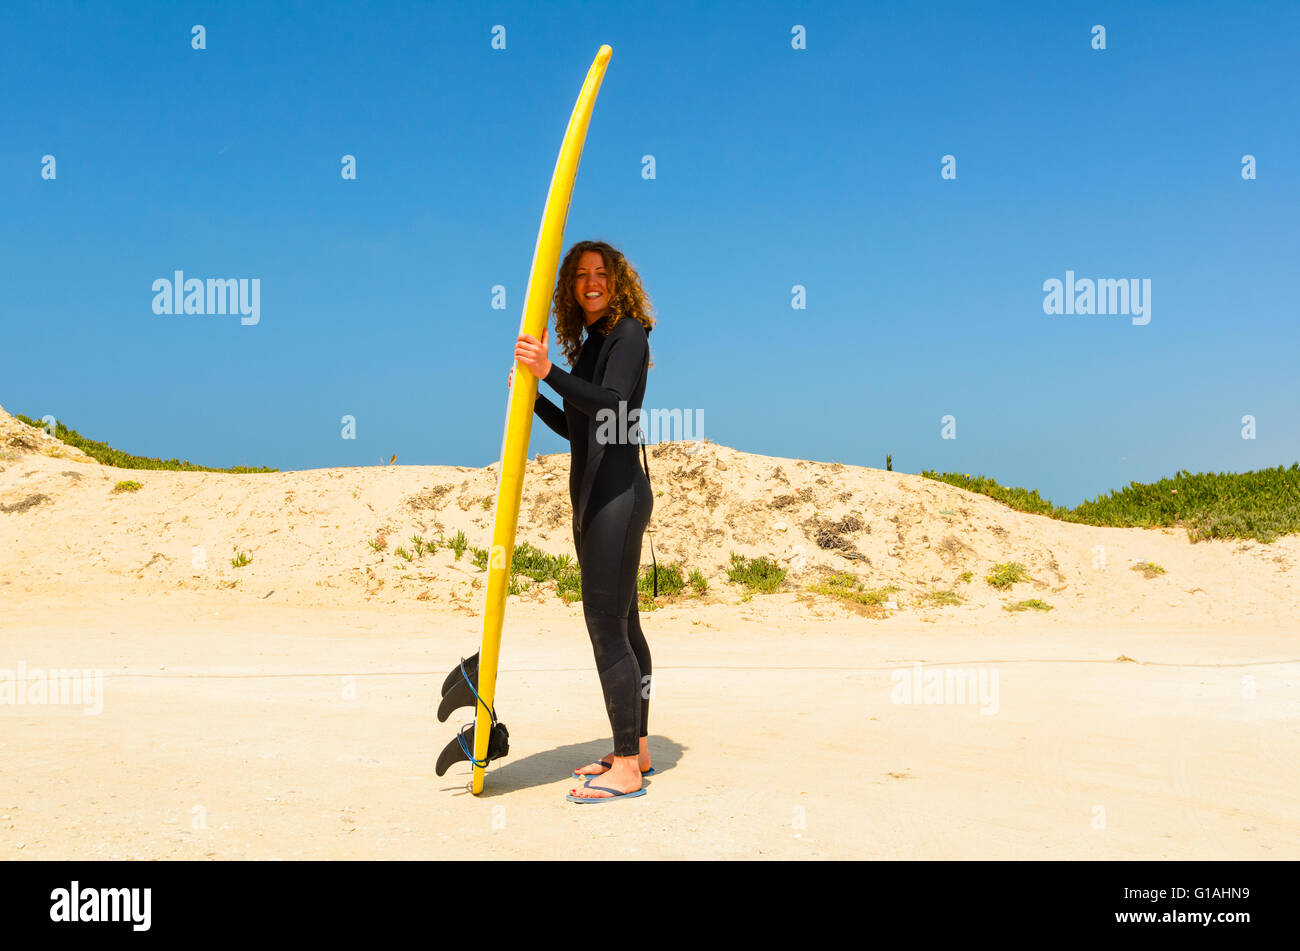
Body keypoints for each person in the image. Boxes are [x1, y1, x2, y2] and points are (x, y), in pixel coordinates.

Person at [511, 240, 656, 802]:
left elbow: (613, 405)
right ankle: (637, 749)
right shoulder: (596, 344)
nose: (591, 282)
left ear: (617, 280)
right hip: (597, 498)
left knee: (606, 628)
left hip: (617, 497)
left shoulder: (629, 335)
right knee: (626, 625)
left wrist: (547, 371)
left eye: (600, 273)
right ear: (570, 289)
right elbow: (581, 425)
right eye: (579, 275)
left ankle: (626, 767)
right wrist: (534, 397)